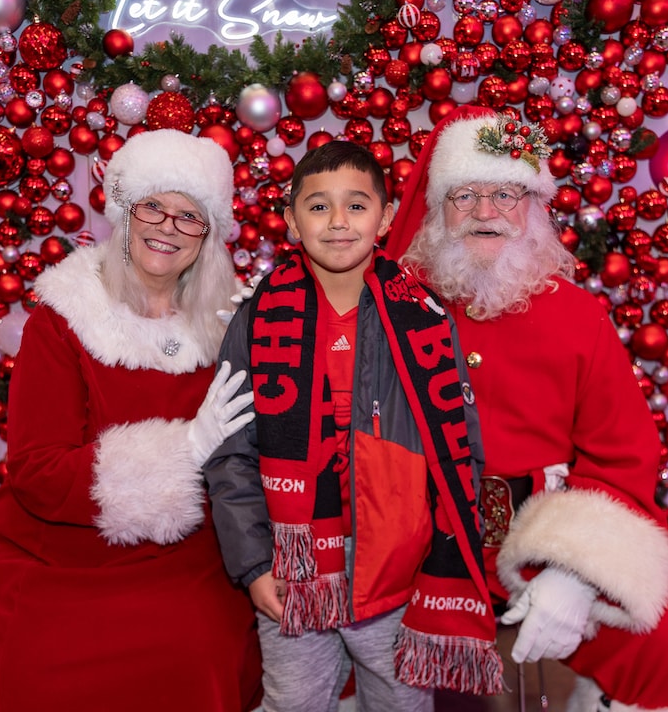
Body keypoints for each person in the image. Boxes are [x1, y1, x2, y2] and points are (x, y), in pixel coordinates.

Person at [385, 105, 668, 712]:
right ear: (436, 210)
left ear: (533, 207)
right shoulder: (394, 308)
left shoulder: (578, 317)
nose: (485, 213)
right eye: (465, 195)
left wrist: (574, 570)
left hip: (534, 541)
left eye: (505, 194)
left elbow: (624, 456)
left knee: (667, 653)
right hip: (415, 543)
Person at [0, 129, 263, 712]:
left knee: (196, 647)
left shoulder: (230, 322)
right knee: (47, 657)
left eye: (189, 216)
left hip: (191, 551)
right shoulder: (66, 317)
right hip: (62, 545)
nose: (168, 227)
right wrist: (185, 450)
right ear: (126, 211)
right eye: (153, 207)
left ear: (209, 234)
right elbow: (36, 472)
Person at [205, 140, 502, 712]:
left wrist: (437, 554)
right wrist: (255, 564)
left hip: (397, 571)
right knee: (292, 703)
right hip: (294, 570)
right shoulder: (258, 317)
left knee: (399, 704)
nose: (338, 221)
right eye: (318, 206)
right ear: (292, 221)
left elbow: (458, 447)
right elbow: (231, 448)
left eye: (357, 205)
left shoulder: (424, 318)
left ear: (385, 217)